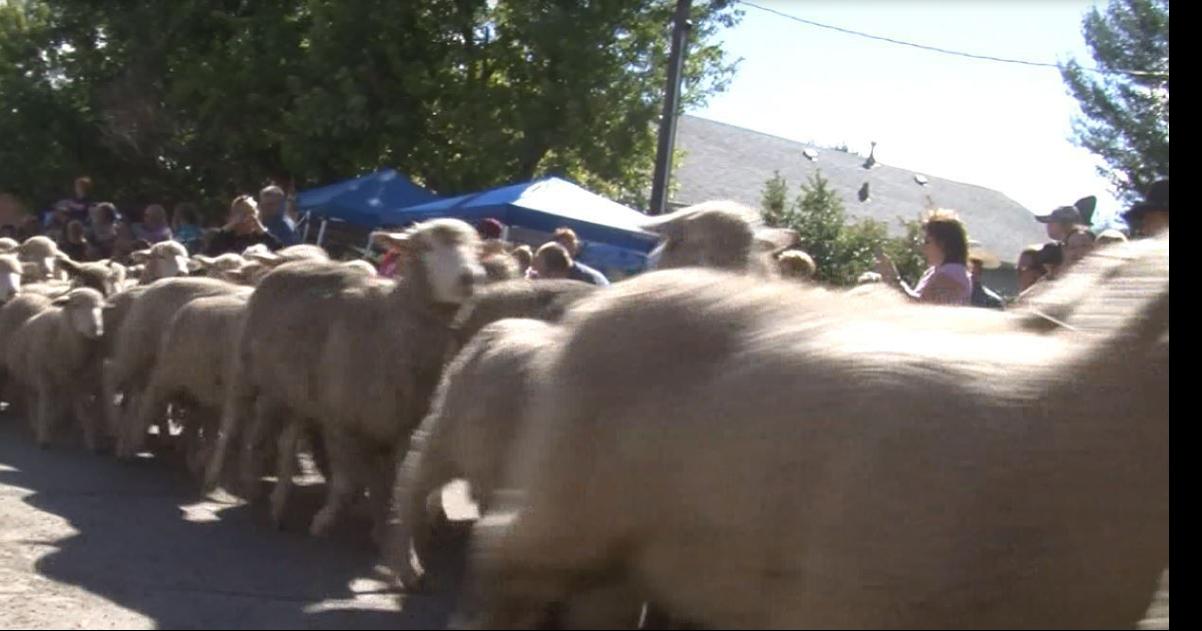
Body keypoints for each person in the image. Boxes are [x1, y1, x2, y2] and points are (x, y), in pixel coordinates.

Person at [875, 209, 972, 305]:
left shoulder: (951, 274)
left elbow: (923, 307)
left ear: (943, 243)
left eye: (927, 242)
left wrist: (894, 280)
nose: (923, 247)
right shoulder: (936, 271)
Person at [205, 195, 283, 256]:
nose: (246, 216)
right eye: (242, 213)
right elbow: (210, 253)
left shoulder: (261, 236)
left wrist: (260, 228)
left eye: (251, 212)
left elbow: (280, 250)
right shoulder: (226, 236)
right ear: (233, 215)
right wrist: (231, 224)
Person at [967, 242, 1005, 310]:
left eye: (974, 262)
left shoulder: (992, 301)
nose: (969, 266)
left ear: (980, 268)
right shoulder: (947, 295)